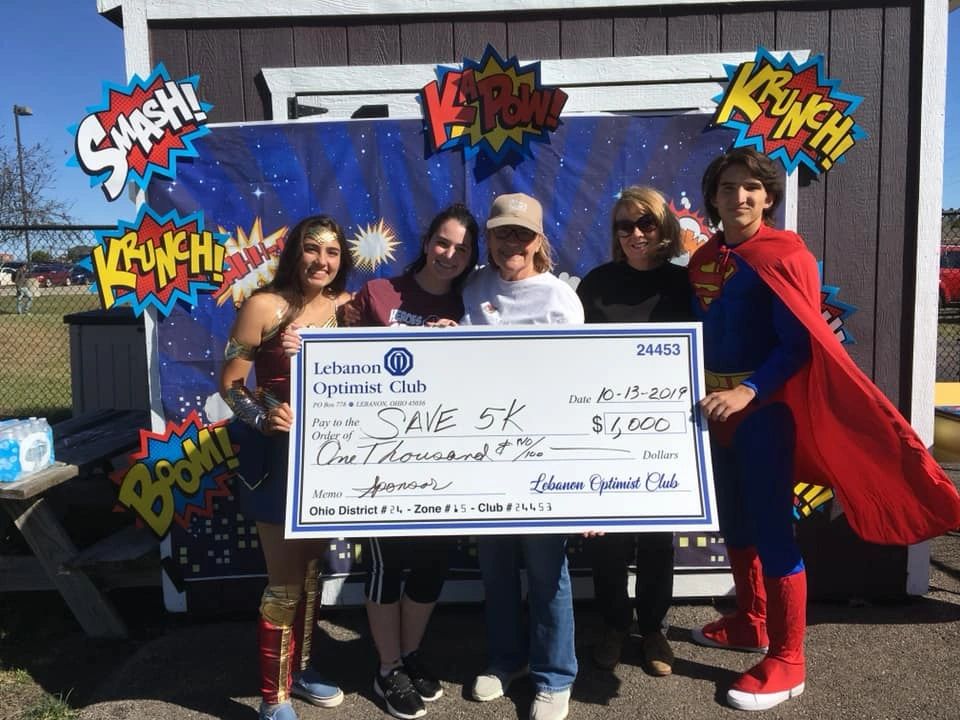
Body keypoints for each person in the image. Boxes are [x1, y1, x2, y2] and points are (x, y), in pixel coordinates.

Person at [688, 147, 960, 711]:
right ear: (712, 197)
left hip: (763, 413)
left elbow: (797, 346)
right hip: (715, 413)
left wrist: (748, 391)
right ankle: (753, 619)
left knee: (771, 529)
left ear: (768, 197)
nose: (739, 196)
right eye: (728, 187)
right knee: (735, 521)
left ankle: (789, 659)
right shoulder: (704, 258)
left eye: (751, 188)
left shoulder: (785, 255)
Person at [340, 204, 479, 720]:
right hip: (381, 456)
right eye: (443, 242)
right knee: (385, 563)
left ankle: (411, 653)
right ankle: (387, 666)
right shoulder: (380, 292)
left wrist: (458, 340)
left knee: (432, 560)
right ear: (427, 242)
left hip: (446, 457)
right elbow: (342, 362)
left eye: (462, 248)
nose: (450, 254)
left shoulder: (471, 304)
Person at [220, 214, 353, 720]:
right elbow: (231, 383)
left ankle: (300, 669)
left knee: (313, 569)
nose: (322, 261)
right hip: (275, 460)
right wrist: (262, 415)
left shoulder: (348, 309)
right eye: (313, 249)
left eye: (333, 253)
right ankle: (272, 698)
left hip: (331, 460)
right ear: (295, 251)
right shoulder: (263, 305)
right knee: (283, 580)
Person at [461, 192, 584, 720]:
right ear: (488, 238)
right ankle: (506, 659)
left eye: (522, 234)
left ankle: (555, 675)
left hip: (543, 460)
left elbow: (577, 389)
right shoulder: (474, 287)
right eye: (502, 232)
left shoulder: (560, 299)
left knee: (545, 571)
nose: (511, 242)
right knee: (495, 568)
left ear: (539, 241)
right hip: (484, 459)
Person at [576, 186, 690, 676]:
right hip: (604, 429)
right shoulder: (596, 284)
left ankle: (654, 629)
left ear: (663, 228)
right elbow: (571, 358)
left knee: (658, 536)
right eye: (625, 226)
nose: (636, 234)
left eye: (646, 224)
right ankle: (613, 624)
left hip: (666, 432)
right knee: (608, 540)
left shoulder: (684, 286)